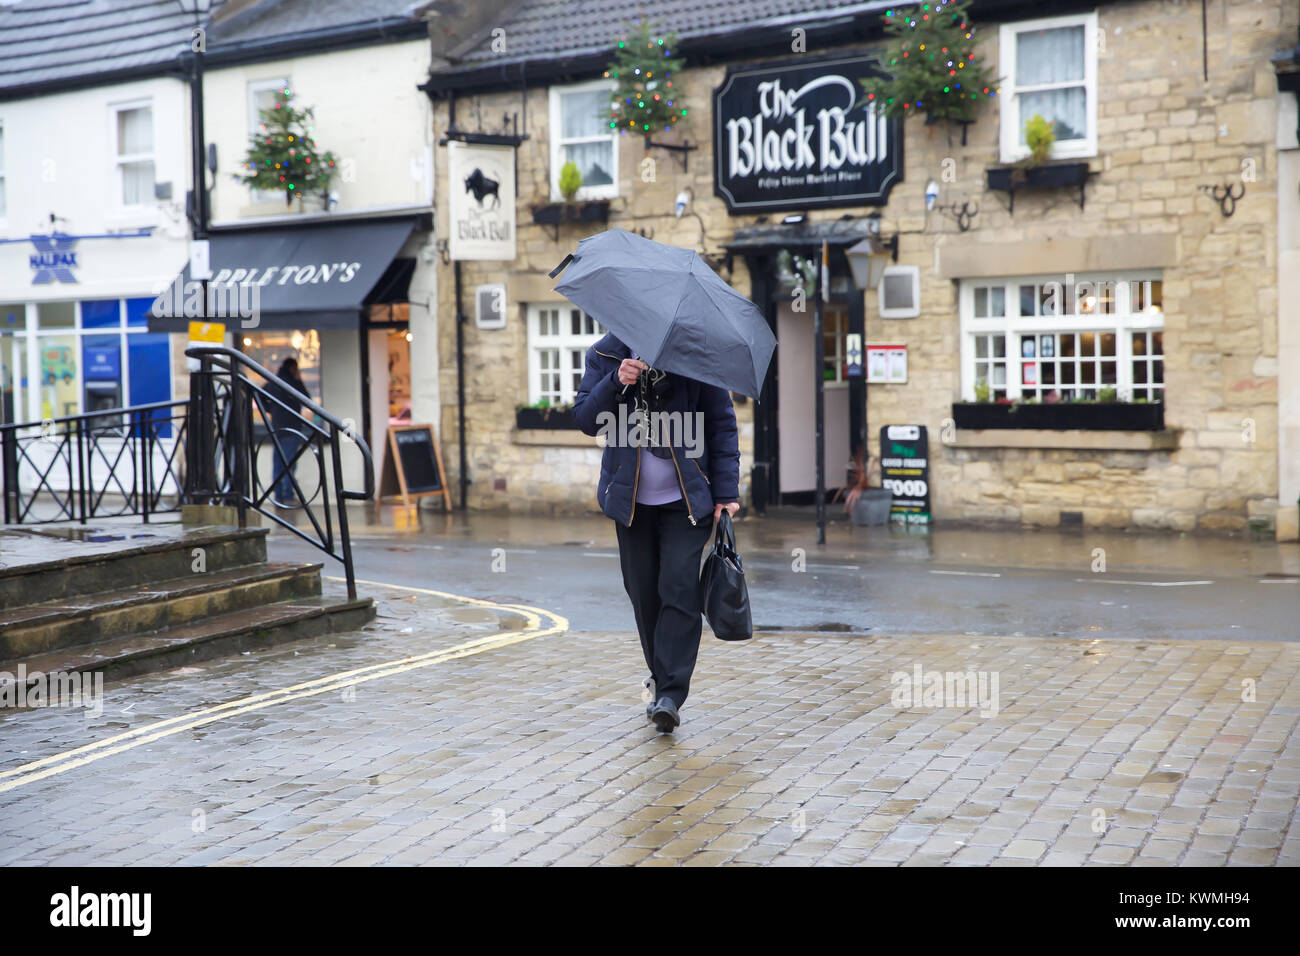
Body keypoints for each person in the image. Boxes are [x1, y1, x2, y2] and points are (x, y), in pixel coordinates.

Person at [573, 332, 740, 734]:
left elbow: (721, 425)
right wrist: (616, 381)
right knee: (644, 594)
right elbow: (585, 421)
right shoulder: (604, 353)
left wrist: (727, 493)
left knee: (679, 589)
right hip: (630, 504)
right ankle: (660, 674)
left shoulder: (697, 354)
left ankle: (670, 693)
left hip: (686, 501)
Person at [266, 357, 312, 508]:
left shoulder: (274, 382)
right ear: (293, 368)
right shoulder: (292, 382)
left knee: (278, 464)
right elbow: (306, 399)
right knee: (289, 464)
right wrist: (299, 380)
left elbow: (258, 394)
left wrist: (270, 410)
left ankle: (278, 496)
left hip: (277, 428)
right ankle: (288, 497)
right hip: (291, 428)